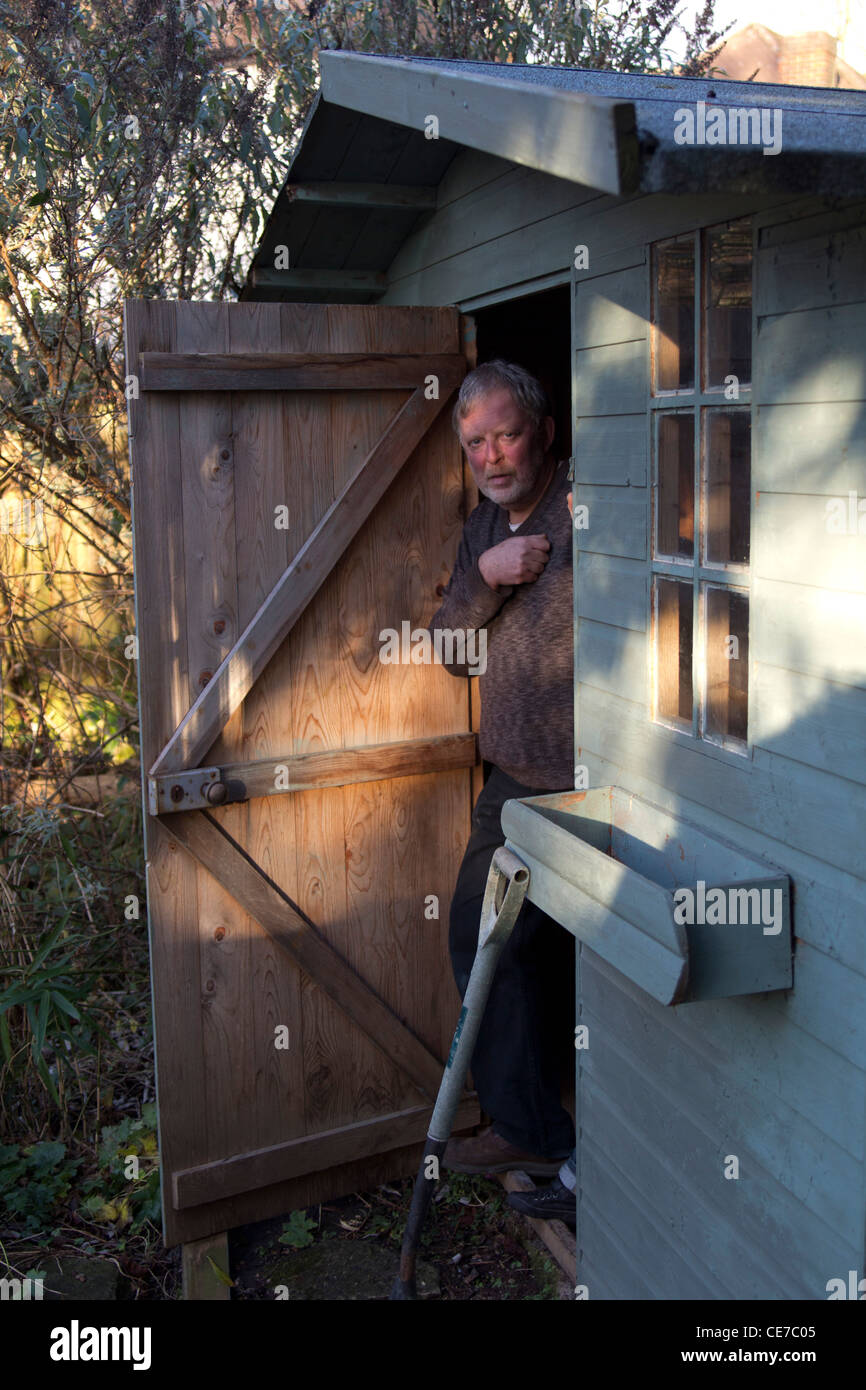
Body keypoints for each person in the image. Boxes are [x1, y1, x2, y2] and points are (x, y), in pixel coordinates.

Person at [429, 359, 575, 1176]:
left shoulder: (587, 503)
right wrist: (486, 579)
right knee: (484, 942)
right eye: (476, 442)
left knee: (604, 954)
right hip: (513, 783)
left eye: (507, 434)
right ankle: (533, 1131)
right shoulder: (482, 531)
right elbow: (451, 652)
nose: (491, 456)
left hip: (593, 780)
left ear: (544, 433)